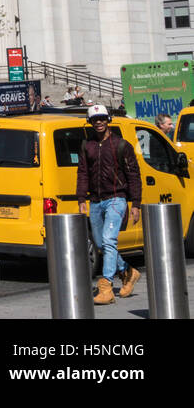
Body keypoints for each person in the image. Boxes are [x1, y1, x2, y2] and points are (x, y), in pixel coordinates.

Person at [76, 104, 142, 304]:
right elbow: (83, 173)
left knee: (108, 240)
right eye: (95, 119)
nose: (99, 122)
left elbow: (134, 176)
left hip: (116, 199)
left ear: (108, 120)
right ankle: (128, 272)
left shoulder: (122, 145)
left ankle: (106, 287)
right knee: (101, 243)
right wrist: (81, 198)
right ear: (90, 122)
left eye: (102, 118)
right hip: (95, 201)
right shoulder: (86, 146)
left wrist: (136, 204)